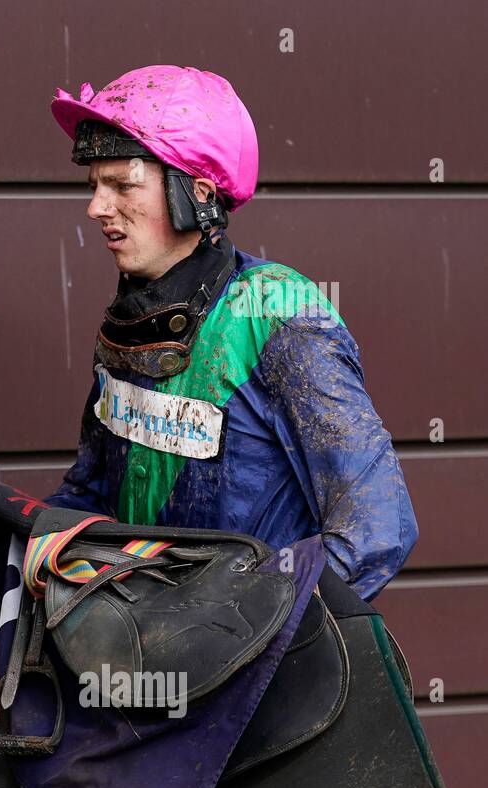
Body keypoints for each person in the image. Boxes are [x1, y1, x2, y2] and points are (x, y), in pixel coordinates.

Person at [45, 65, 415, 601]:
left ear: (195, 193)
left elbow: (377, 529)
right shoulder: (131, 317)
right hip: (147, 655)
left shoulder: (276, 311)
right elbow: (93, 493)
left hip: (254, 670)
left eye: (122, 184)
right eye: (94, 186)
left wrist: (243, 629)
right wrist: (38, 543)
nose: (97, 208)